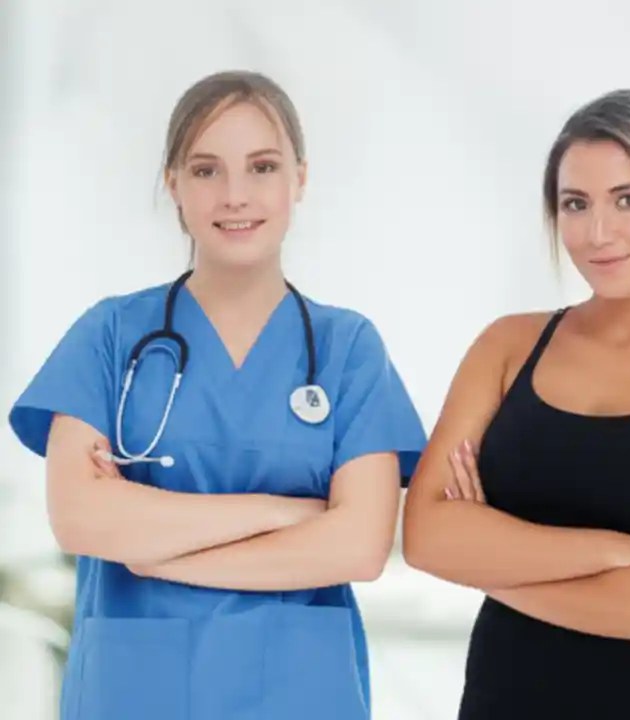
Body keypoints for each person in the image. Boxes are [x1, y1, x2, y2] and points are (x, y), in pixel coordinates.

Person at [8, 70, 426, 720]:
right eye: (207, 170)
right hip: (134, 691)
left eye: (261, 167)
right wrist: (286, 512)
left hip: (298, 693)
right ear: (173, 183)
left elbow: (359, 547)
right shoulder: (112, 335)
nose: (236, 195)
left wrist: (153, 551)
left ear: (300, 179)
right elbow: (81, 519)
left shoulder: (348, 349)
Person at [401, 89, 630, 719]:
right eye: (576, 204)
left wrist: (491, 565)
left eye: (628, 200)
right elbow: (426, 535)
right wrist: (617, 552)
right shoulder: (508, 346)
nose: (597, 233)